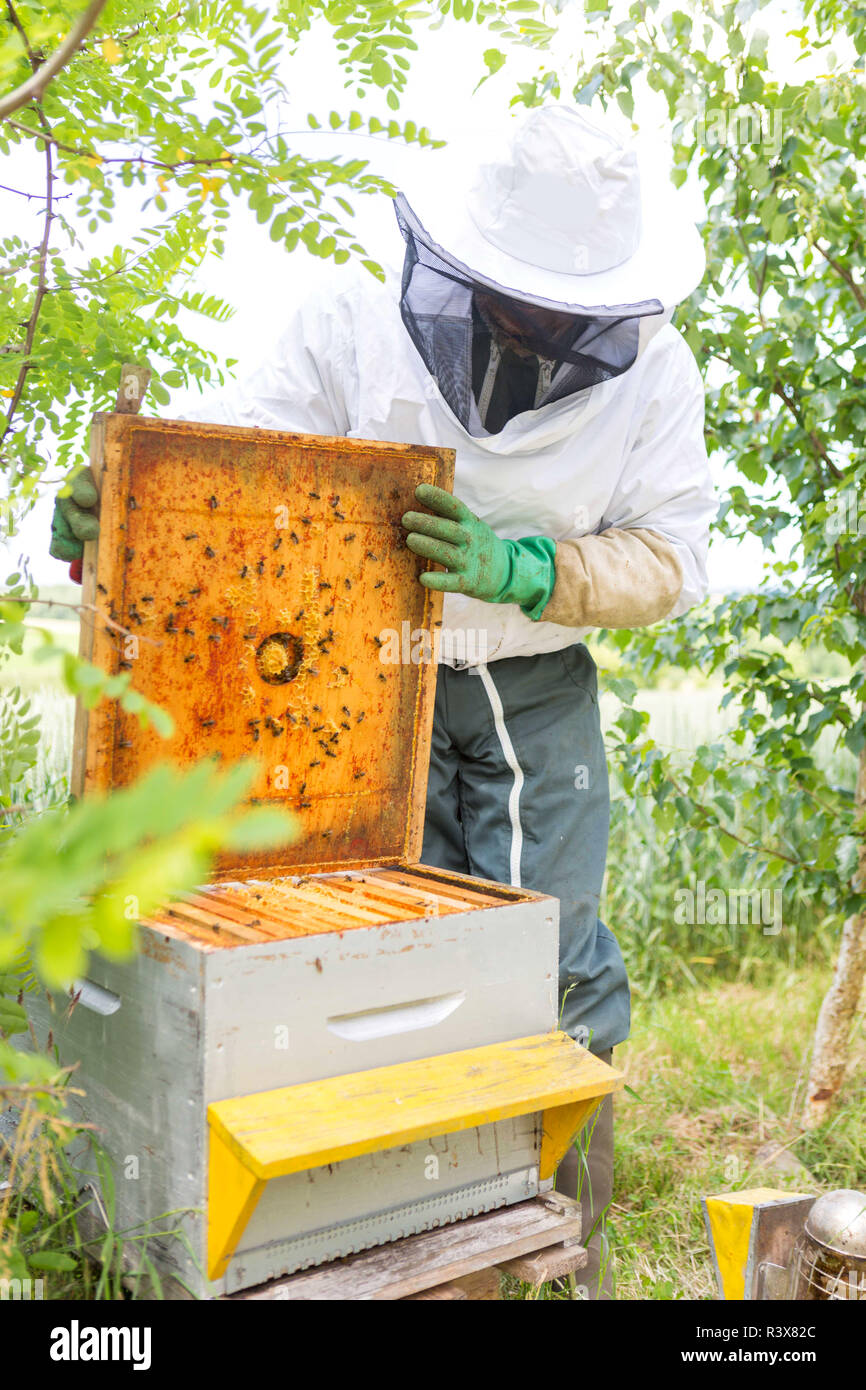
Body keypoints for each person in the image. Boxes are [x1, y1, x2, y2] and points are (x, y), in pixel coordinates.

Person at [51, 105, 716, 1298]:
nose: (529, 329)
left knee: (551, 958)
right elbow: (237, 497)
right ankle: (379, 1232)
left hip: (528, 688)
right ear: (460, 261)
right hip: (350, 689)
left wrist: (533, 569)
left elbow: (670, 559)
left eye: (561, 315)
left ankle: (554, 1247)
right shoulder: (346, 328)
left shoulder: (655, 378)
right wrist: (117, 523)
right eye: (510, 300)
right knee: (361, 958)